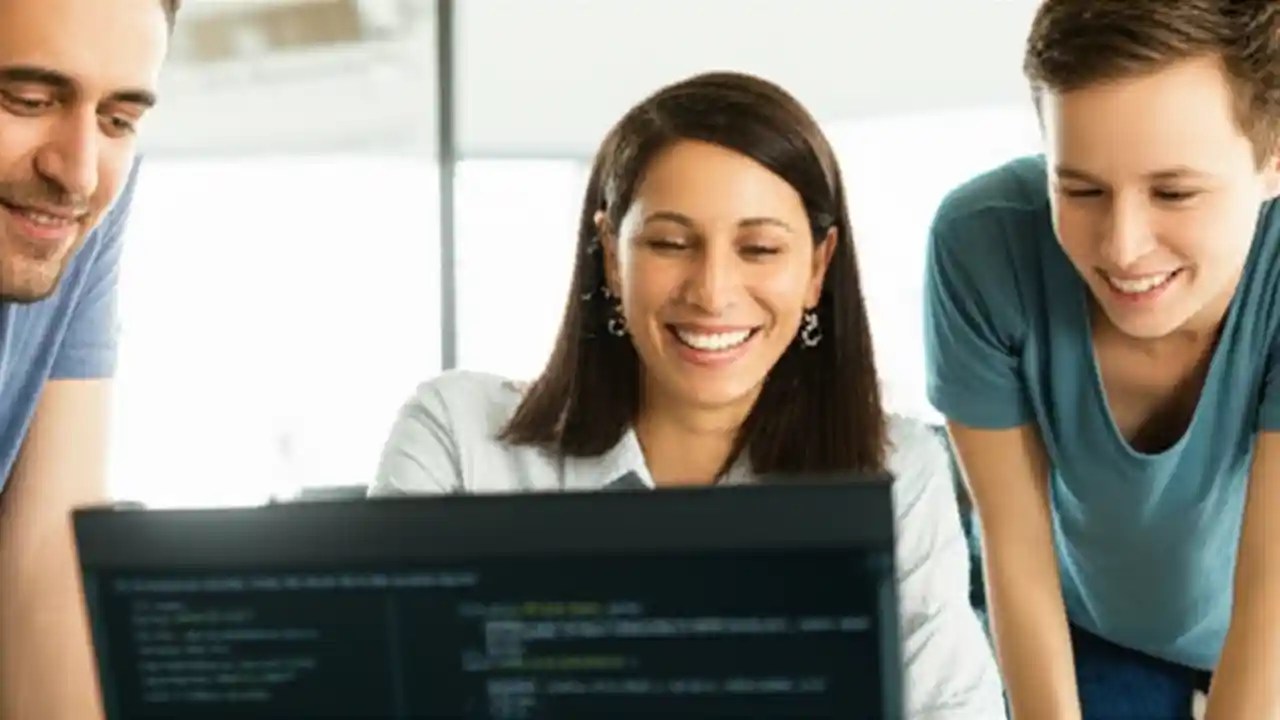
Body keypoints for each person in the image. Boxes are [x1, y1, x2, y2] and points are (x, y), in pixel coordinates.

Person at [371, 70, 1005, 718]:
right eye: (671, 243)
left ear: (818, 266)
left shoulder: (897, 470)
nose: (711, 291)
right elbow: (373, 687)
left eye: (759, 248)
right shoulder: (457, 437)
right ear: (610, 256)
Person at [923, 1, 1280, 718]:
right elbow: (1013, 554)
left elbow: (1271, 596)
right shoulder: (981, 244)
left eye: (1174, 192)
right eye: (1079, 189)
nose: (1121, 247)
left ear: (1273, 159)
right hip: (1087, 627)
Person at [0, 0, 177, 717]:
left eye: (120, 120)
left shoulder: (65, 209)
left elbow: (44, 557)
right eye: (28, 100)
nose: (76, 173)